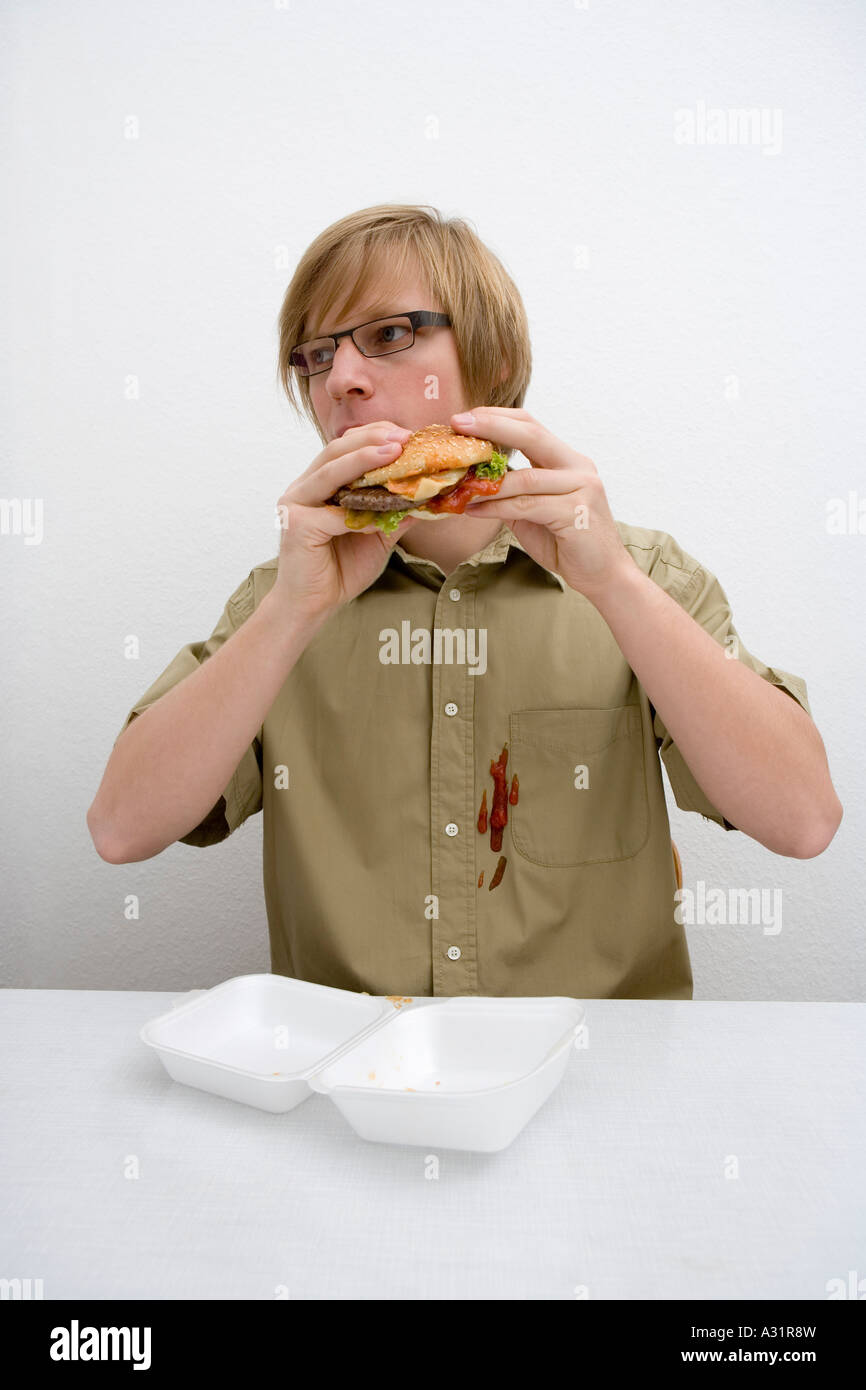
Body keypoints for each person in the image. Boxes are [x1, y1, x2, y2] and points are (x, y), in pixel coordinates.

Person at [86, 204, 843, 999]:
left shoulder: (641, 573)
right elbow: (120, 830)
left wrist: (614, 584)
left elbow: (802, 821)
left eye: (387, 335)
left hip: (598, 1085)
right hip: (354, 1083)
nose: (340, 379)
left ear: (490, 355)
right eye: (315, 356)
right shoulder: (282, 601)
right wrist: (287, 615)